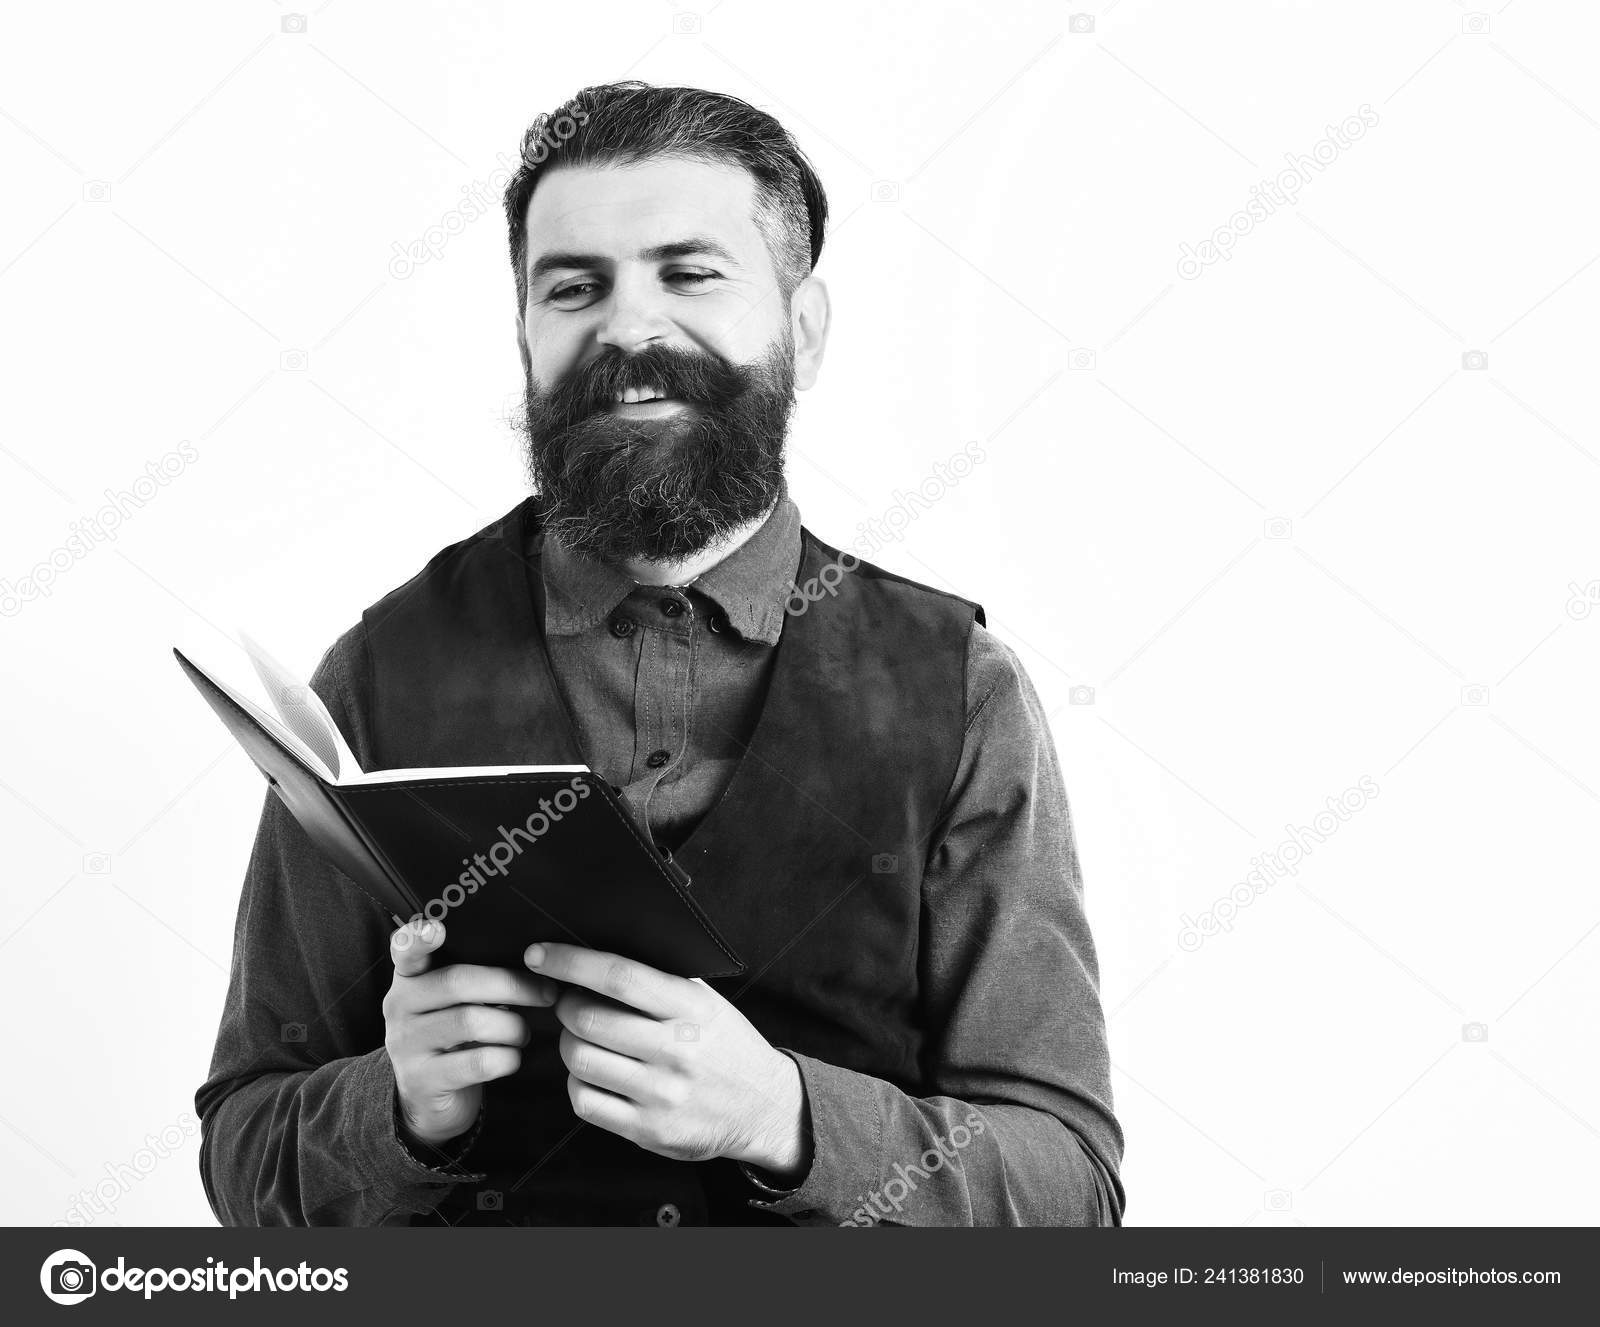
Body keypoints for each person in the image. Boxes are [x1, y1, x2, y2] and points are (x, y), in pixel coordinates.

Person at [196, 80, 1124, 1227]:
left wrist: (784, 1118)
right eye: (574, 287)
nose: (628, 330)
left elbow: (1069, 1189)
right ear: (526, 335)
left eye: (690, 274)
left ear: (805, 328)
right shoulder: (376, 674)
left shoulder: (961, 692)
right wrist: (394, 1110)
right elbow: (243, 1155)